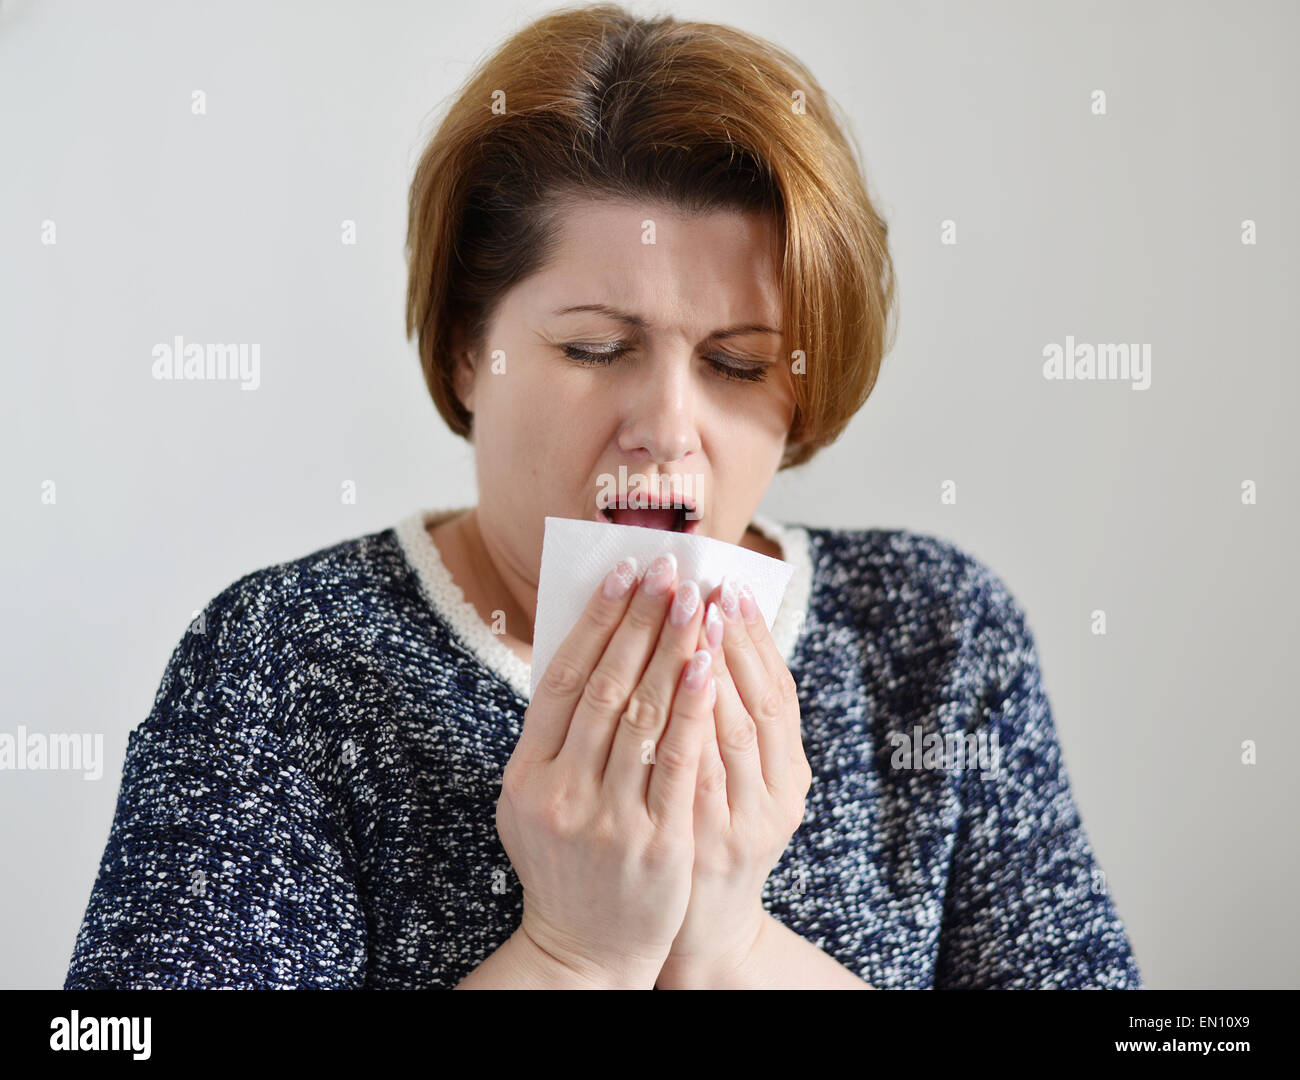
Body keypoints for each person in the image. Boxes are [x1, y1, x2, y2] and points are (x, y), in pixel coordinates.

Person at [64, 2, 1142, 989]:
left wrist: (730, 946)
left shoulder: (934, 640)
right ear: (461, 354)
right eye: (595, 346)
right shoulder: (282, 661)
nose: (667, 426)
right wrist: (573, 953)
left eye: (736, 363)